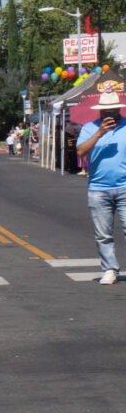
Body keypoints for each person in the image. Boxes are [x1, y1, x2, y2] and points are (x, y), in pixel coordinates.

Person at [77, 91, 126, 284]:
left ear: (119, 109)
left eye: (113, 110)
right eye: (106, 111)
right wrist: (100, 133)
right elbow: (80, 151)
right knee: (103, 233)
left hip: (124, 185)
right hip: (99, 187)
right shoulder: (90, 128)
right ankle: (109, 269)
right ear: (100, 111)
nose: (109, 114)